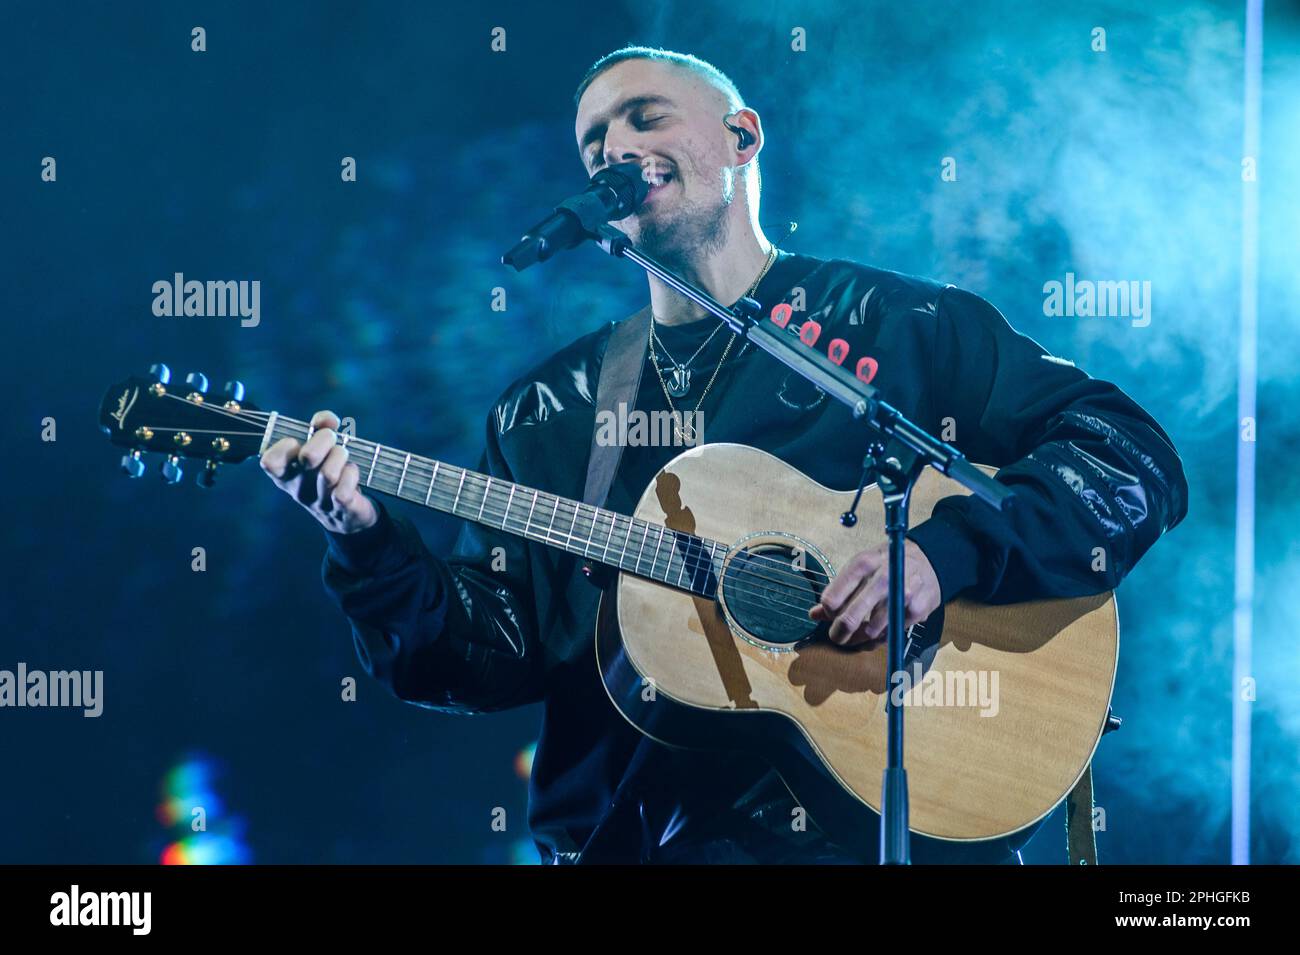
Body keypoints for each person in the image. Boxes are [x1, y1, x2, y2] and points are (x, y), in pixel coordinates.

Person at [259, 47, 1188, 864]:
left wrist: (946, 555)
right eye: (592, 143)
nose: (613, 147)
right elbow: (488, 656)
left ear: (743, 138)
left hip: (887, 830)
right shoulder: (549, 411)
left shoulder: (901, 328)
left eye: (644, 116)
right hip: (640, 837)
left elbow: (1126, 454)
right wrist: (364, 540)